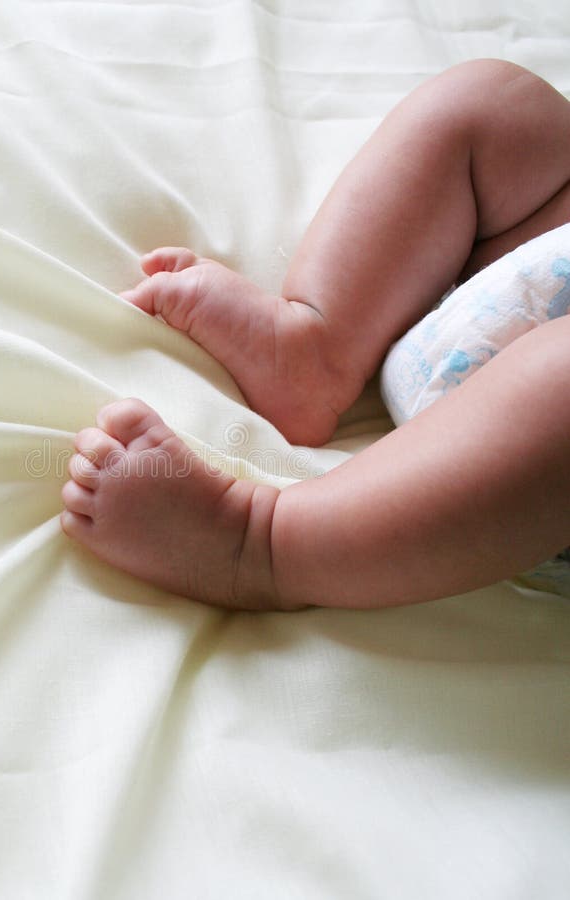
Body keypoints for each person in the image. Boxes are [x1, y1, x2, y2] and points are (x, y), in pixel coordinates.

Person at [60, 59, 570, 611]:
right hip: (532, 267)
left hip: (536, 480)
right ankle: (315, 348)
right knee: (501, 104)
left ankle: (260, 546)